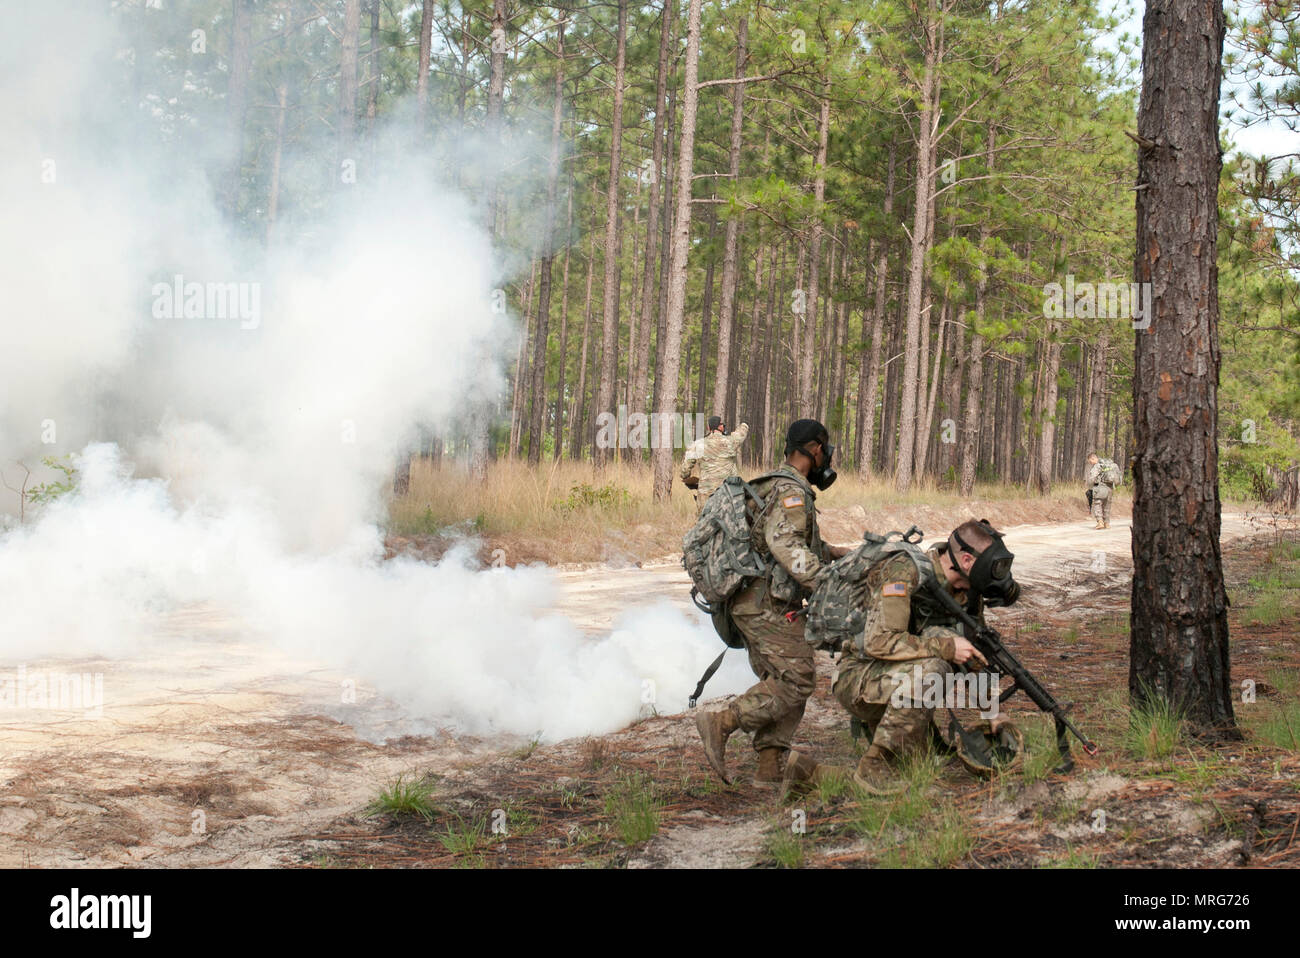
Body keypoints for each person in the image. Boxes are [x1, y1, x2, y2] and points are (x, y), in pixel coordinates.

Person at [784, 519, 1020, 796]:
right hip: (860, 677)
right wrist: (945, 647)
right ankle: (874, 769)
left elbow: (974, 656)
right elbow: (879, 641)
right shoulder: (903, 570)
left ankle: (806, 773)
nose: (998, 575)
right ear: (967, 560)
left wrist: (994, 715)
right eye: (993, 566)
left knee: (922, 767)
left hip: (897, 679)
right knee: (937, 666)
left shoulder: (967, 593)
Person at [695, 419, 849, 788]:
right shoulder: (791, 491)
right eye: (824, 450)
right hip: (767, 604)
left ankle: (769, 768)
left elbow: (779, 540)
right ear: (815, 450)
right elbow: (785, 546)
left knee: (779, 679)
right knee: (797, 679)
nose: (826, 457)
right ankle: (724, 721)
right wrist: (822, 582)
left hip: (750, 602)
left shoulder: (771, 485)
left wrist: (835, 553)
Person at [679, 416, 749, 515]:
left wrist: (687, 478)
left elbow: (684, 470)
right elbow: (741, 433)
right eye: (722, 425)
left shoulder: (698, 444)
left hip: (705, 493)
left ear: (709, 428)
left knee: (704, 522)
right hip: (727, 492)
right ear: (720, 427)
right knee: (728, 522)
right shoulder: (731, 441)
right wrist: (744, 424)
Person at [1086, 453, 1117, 530]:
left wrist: (1090, 486)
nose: (1091, 463)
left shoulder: (1097, 465)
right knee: (1107, 505)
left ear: (1093, 458)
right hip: (1110, 487)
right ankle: (1107, 523)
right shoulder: (1108, 464)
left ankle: (1100, 522)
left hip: (1100, 487)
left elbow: (1092, 477)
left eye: (1090, 461)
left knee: (1097, 503)